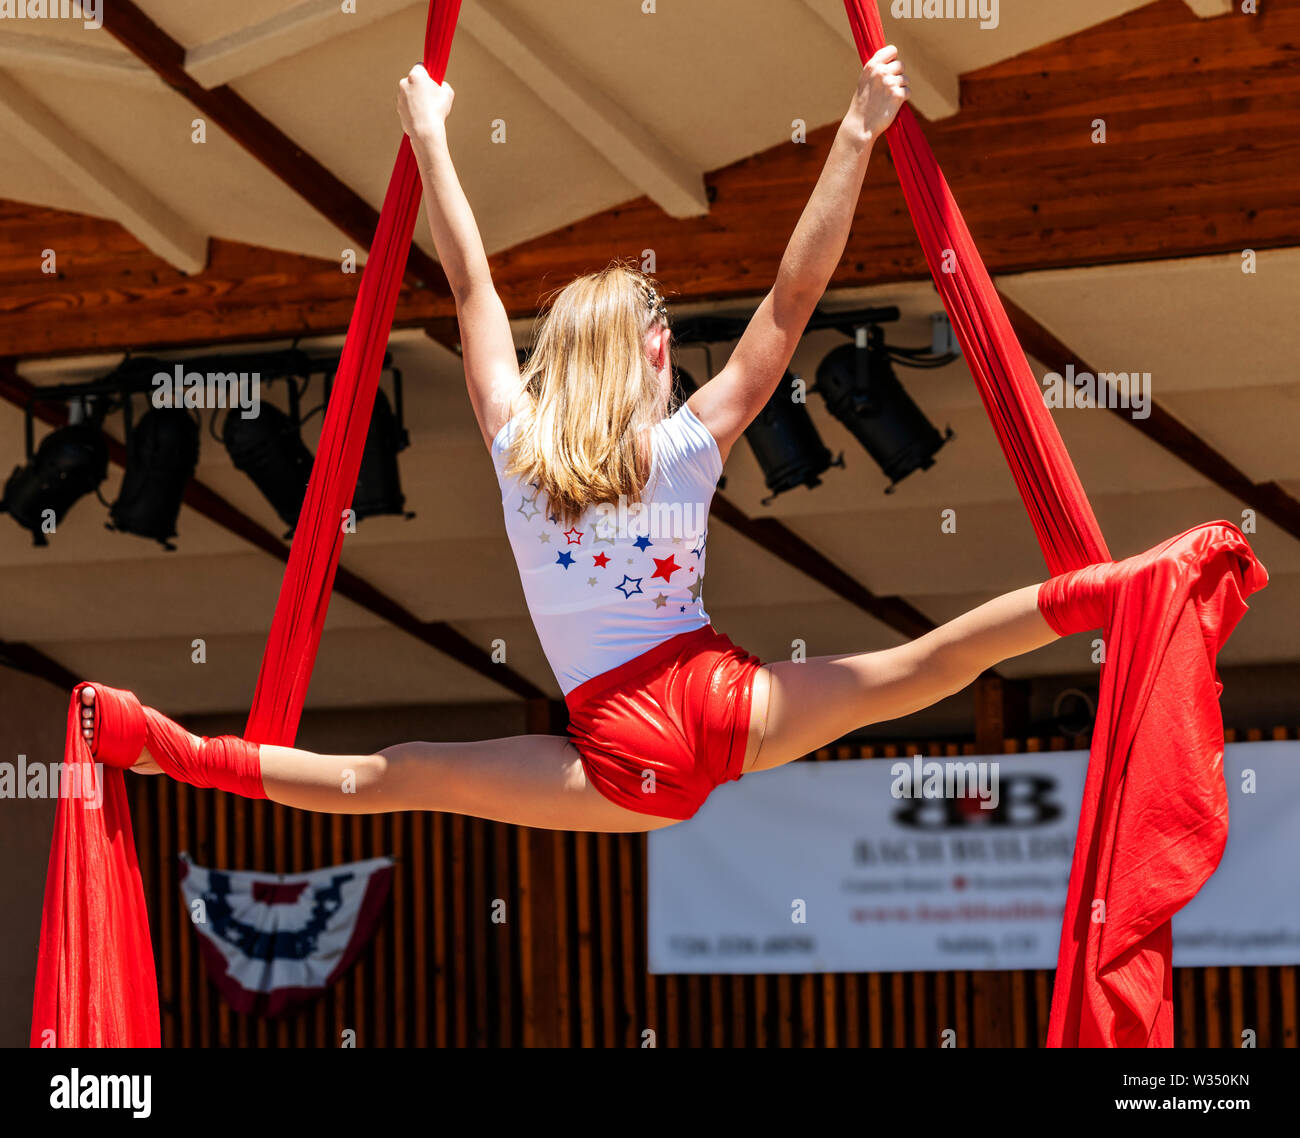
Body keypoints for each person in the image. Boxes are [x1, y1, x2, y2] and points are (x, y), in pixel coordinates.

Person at [78, 48, 1178, 833]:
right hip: (713, 697)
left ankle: (186, 755)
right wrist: (854, 133)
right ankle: (1102, 593)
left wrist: (428, 141)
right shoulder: (687, 446)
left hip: (618, 758)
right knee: (918, 666)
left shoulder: (516, 443)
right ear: (657, 354)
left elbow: (467, 278)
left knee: (391, 772)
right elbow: (796, 297)